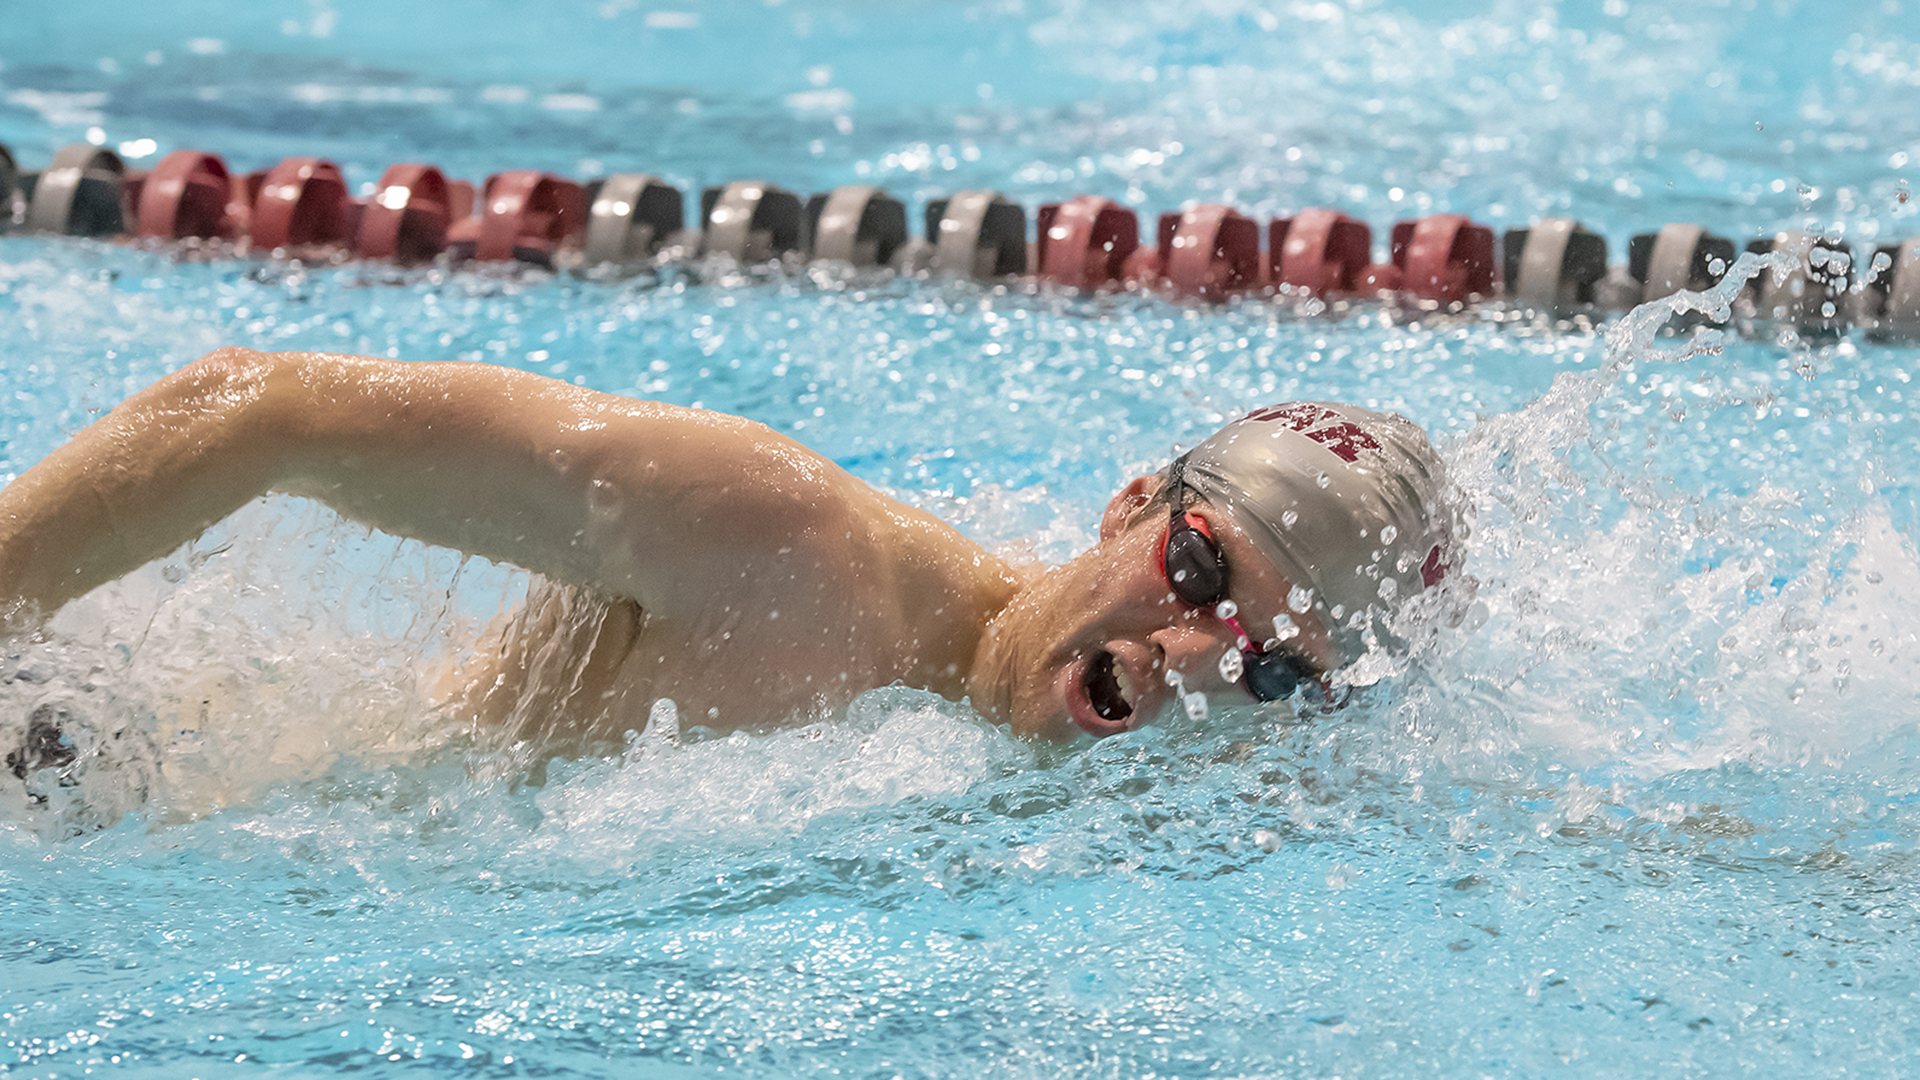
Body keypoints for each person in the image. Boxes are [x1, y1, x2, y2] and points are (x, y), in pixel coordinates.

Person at [0, 347, 1462, 747]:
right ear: (1131, 502)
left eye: (1270, 672)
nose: (1194, 656)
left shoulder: (1187, 806)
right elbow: (264, 409)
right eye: (1200, 573)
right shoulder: (773, 542)